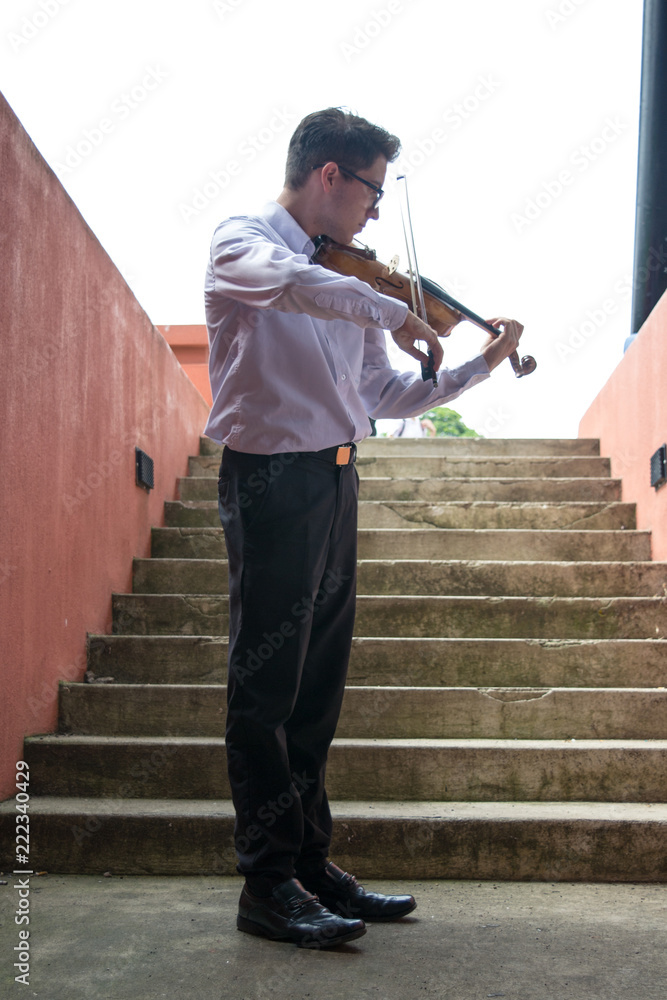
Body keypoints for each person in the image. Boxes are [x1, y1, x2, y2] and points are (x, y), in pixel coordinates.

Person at [204, 107, 523, 949]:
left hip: (336, 479)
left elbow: (383, 397)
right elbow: (296, 283)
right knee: (264, 687)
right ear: (330, 176)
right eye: (372, 191)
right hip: (270, 480)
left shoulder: (360, 288)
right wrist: (387, 310)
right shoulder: (243, 243)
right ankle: (266, 883)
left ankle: (309, 862)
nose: (376, 215)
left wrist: (477, 366)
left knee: (315, 690)